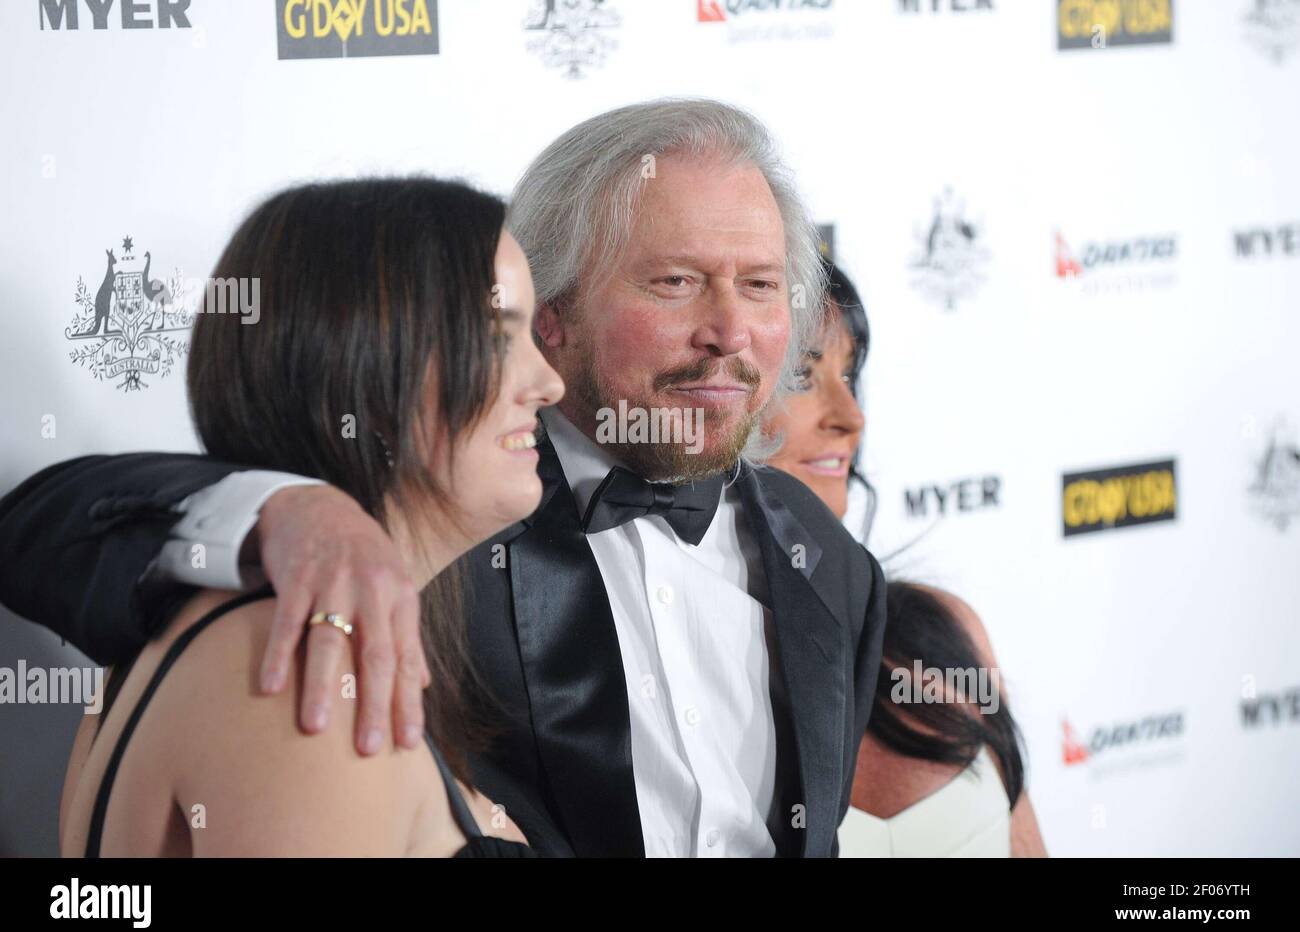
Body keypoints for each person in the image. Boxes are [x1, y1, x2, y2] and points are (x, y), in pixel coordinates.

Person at [0, 99, 886, 857]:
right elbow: (45, 528)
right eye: (677, 281)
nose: (730, 330)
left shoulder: (833, 569)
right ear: (556, 316)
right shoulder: (370, 574)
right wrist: (280, 507)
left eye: (763, 285)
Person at [56, 177, 564, 856]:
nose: (548, 383)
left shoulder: (260, 629)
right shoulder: (306, 671)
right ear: (369, 369)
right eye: (498, 338)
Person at [762, 258, 1047, 856]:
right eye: (801, 377)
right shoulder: (674, 670)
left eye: (850, 375)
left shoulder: (948, 631)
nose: (851, 417)